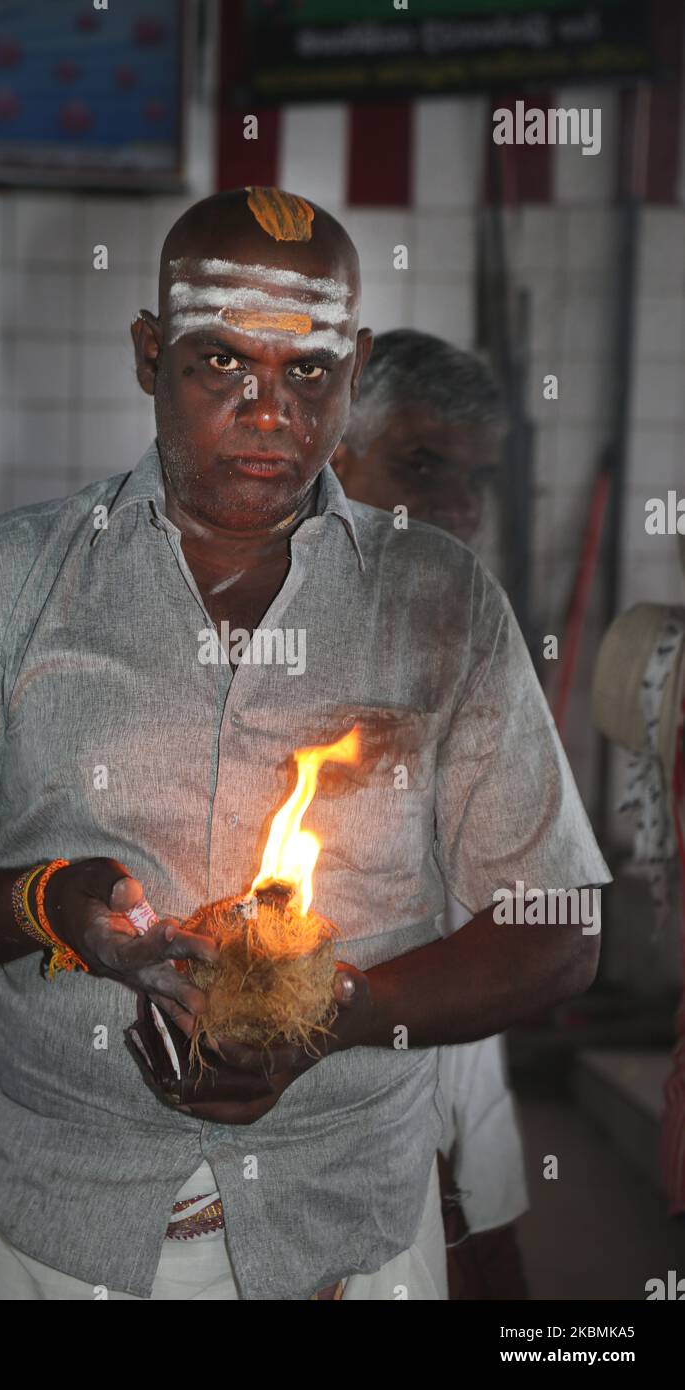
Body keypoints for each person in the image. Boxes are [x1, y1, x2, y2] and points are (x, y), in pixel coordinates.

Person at [0, 188, 610, 1301]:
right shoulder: (11, 582)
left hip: (351, 1233)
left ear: (354, 366)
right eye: (219, 365)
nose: (268, 413)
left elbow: (558, 928)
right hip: (77, 1231)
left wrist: (335, 1018)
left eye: (307, 373)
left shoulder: (438, 600)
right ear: (150, 354)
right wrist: (47, 905)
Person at [334, 329, 531, 1299]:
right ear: (334, 451)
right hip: (313, 1032)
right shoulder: (249, 606)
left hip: (454, 989)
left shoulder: (466, 618)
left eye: (475, 478)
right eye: (420, 466)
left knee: (476, 1228)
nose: (457, 507)